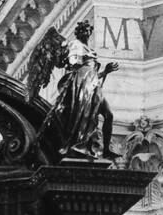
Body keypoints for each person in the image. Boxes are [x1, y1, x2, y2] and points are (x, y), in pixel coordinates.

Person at [43, 20, 119, 160]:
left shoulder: (89, 49)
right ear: (78, 33)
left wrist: (105, 71)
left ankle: (106, 149)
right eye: (83, 31)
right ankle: (79, 144)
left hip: (93, 85)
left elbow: (92, 75)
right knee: (83, 117)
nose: (86, 34)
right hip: (82, 87)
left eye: (88, 31)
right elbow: (75, 67)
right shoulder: (75, 45)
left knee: (109, 115)